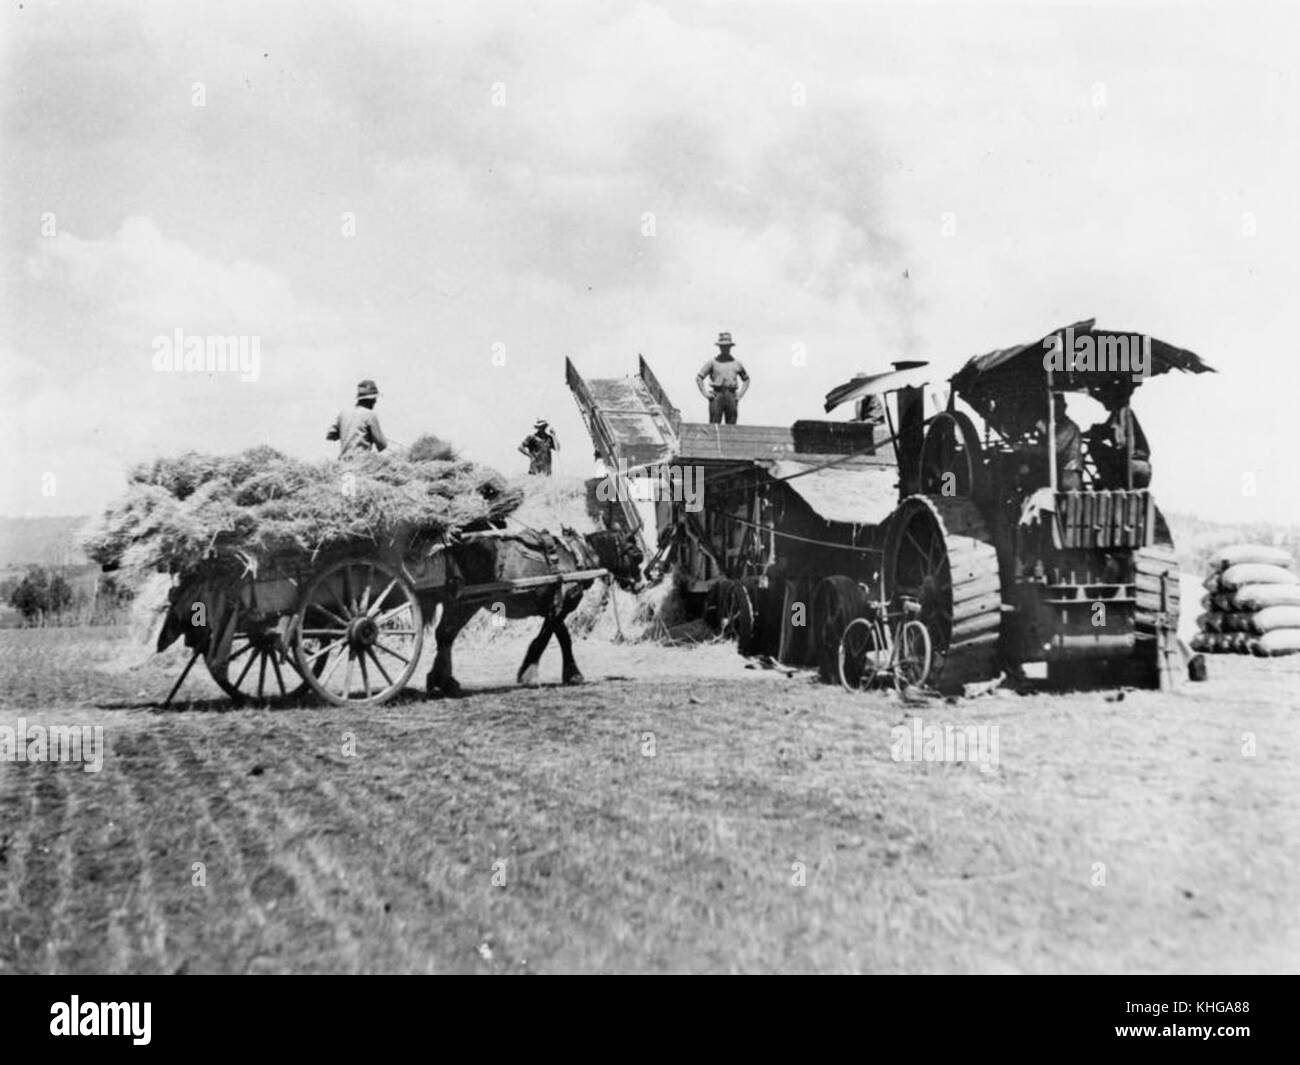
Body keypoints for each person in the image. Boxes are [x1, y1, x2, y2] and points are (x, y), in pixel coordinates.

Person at [1086, 388, 1151, 488]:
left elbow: (1109, 431)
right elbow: (1106, 429)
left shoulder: (1124, 412)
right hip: (1132, 460)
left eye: (1105, 399)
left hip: (1135, 461)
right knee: (1097, 447)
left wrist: (1095, 433)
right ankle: (1109, 479)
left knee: (1095, 447)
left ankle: (1109, 480)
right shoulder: (1118, 412)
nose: (1104, 403)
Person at [696, 331, 750, 424]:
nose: (725, 348)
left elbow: (746, 379)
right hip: (717, 395)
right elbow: (699, 378)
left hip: (731, 395)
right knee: (714, 425)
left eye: (727, 346)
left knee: (731, 426)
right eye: (723, 346)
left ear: (730, 347)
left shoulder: (737, 363)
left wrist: (740, 395)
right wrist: (705, 394)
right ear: (719, 347)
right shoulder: (712, 362)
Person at [327, 379, 388, 459]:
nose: (375, 401)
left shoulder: (343, 413)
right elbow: (382, 445)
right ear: (370, 400)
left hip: (343, 462)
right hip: (361, 463)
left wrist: (346, 431)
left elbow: (330, 436)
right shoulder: (370, 415)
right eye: (374, 399)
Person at [1035, 393, 1083, 491]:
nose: (1054, 411)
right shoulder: (1058, 427)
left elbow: (1053, 448)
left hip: (1069, 473)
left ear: (1064, 407)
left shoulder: (1069, 426)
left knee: (1068, 502)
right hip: (1062, 472)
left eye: (1057, 407)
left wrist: (1023, 447)